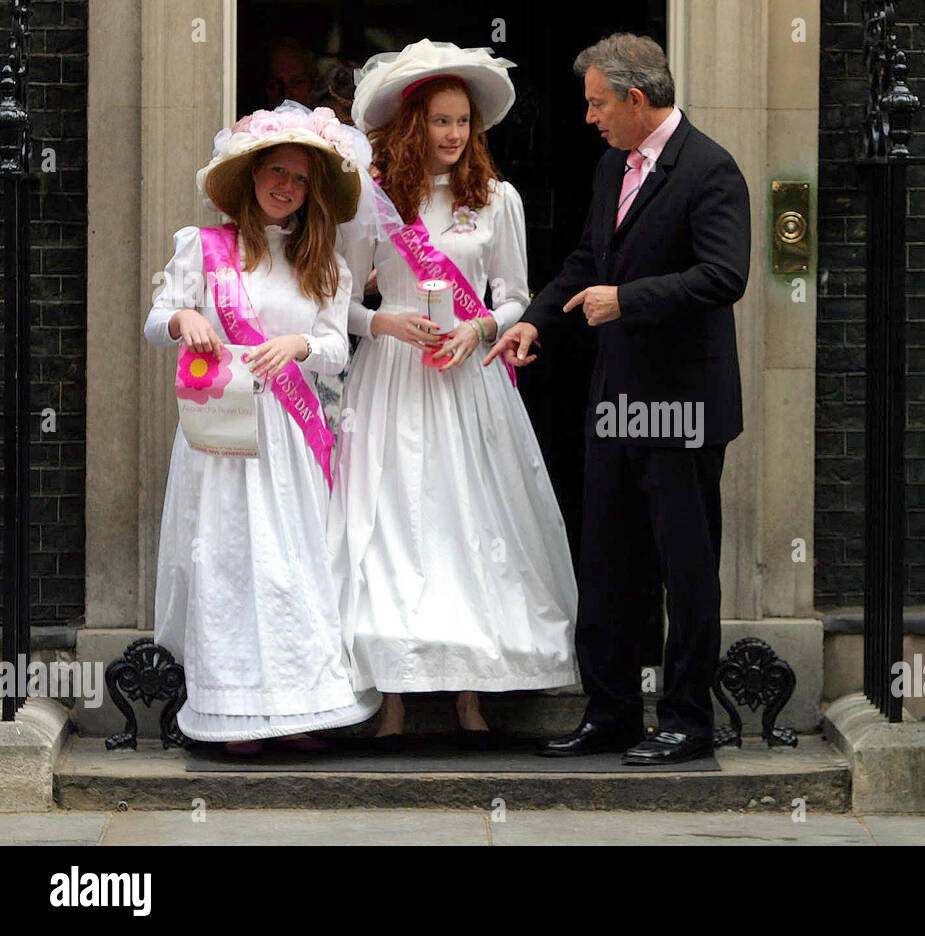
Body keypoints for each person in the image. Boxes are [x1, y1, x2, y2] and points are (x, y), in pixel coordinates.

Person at [486, 33, 751, 766]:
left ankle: (688, 721)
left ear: (637, 100)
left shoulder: (711, 169)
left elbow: (725, 276)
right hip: (614, 403)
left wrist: (626, 301)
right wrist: (536, 319)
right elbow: (585, 260)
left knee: (684, 568)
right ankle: (612, 713)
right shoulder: (613, 167)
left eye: (599, 103)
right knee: (608, 560)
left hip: (684, 408)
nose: (589, 117)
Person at [330, 40, 579, 750]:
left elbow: (517, 298)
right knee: (395, 528)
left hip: (470, 383)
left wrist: (477, 329)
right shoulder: (371, 205)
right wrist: (385, 322)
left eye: (463, 122)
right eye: (440, 121)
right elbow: (339, 304)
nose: (453, 134)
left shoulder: (498, 199)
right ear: (413, 126)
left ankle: (473, 696)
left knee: (469, 526)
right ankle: (394, 699)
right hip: (393, 381)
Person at [145, 101, 381, 755]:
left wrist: (299, 348)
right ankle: (233, 711)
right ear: (251, 176)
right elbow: (155, 316)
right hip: (223, 435)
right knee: (228, 564)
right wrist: (181, 322)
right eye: (276, 171)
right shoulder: (203, 247)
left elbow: (337, 347)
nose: (287, 186)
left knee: (291, 566)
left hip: (291, 436)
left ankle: (302, 707)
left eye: (301, 178)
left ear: (313, 191)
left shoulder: (323, 259)